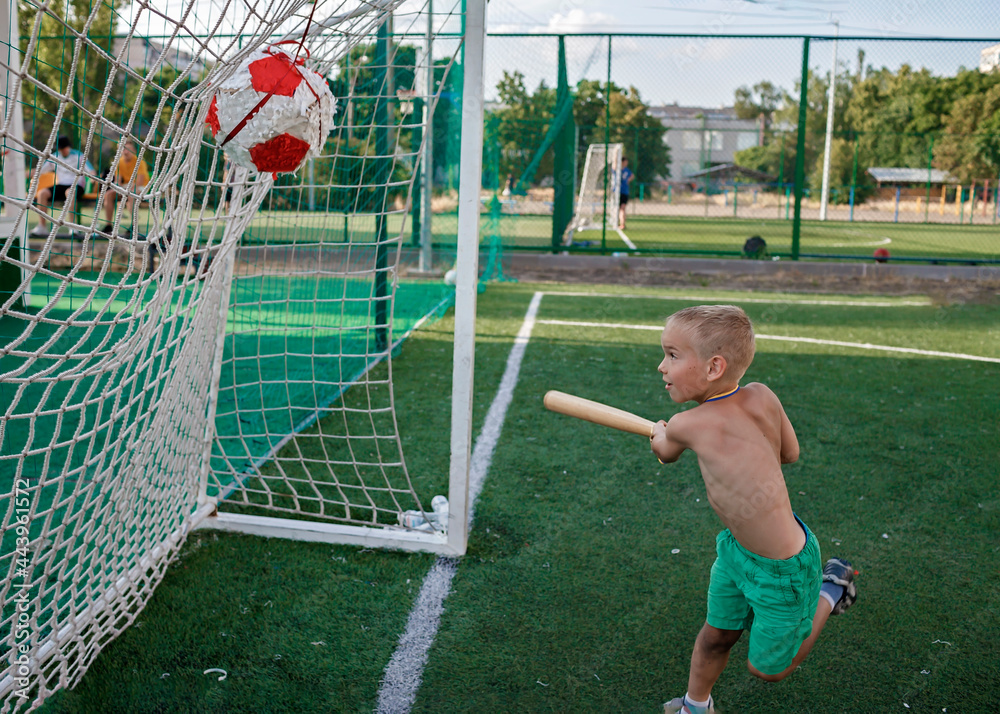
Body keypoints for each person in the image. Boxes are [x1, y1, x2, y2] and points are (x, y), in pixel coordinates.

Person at [650, 305, 857, 714]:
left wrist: (661, 433)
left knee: (769, 670)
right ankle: (696, 706)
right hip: (736, 551)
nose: (661, 366)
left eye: (673, 355)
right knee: (716, 634)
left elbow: (664, 452)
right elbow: (790, 454)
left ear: (713, 367)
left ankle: (831, 589)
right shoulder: (762, 395)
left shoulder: (685, 424)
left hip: (784, 569)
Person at [33, 135, 95, 235]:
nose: (62, 151)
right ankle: (42, 226)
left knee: (70, 192)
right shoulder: (55, 156)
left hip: (76, 185)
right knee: (42, 193)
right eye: (60, 149)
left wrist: (93, 178)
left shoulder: (78, 155)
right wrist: (26, 173)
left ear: (68, 146)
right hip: (61, 185)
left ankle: (73, 226)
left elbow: (91, 170)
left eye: (63, 148)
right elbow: (39, 171)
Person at [102, 138, 150, 234]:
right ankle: (108, 225)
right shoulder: (119, 162)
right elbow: (118, 181)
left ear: (134, 151)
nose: (125, 152)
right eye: (123, 149)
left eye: (128, 149)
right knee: (108, 194)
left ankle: (134, 226)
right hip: (125, 187)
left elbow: (139, 183)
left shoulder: (140, 162)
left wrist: (126, 189)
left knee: (131, 194)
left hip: (139, 187)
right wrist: (116, 187)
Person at [618, 157, 634, 229]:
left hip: (624, 192)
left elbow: (632, 176)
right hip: (617, 192)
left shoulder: (627, 170)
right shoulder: (617, 169)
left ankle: (622, 224)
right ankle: (618, 222)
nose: (626, 163)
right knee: (618, 208)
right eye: (625, 162)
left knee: (622, 208)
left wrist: (628, 180)